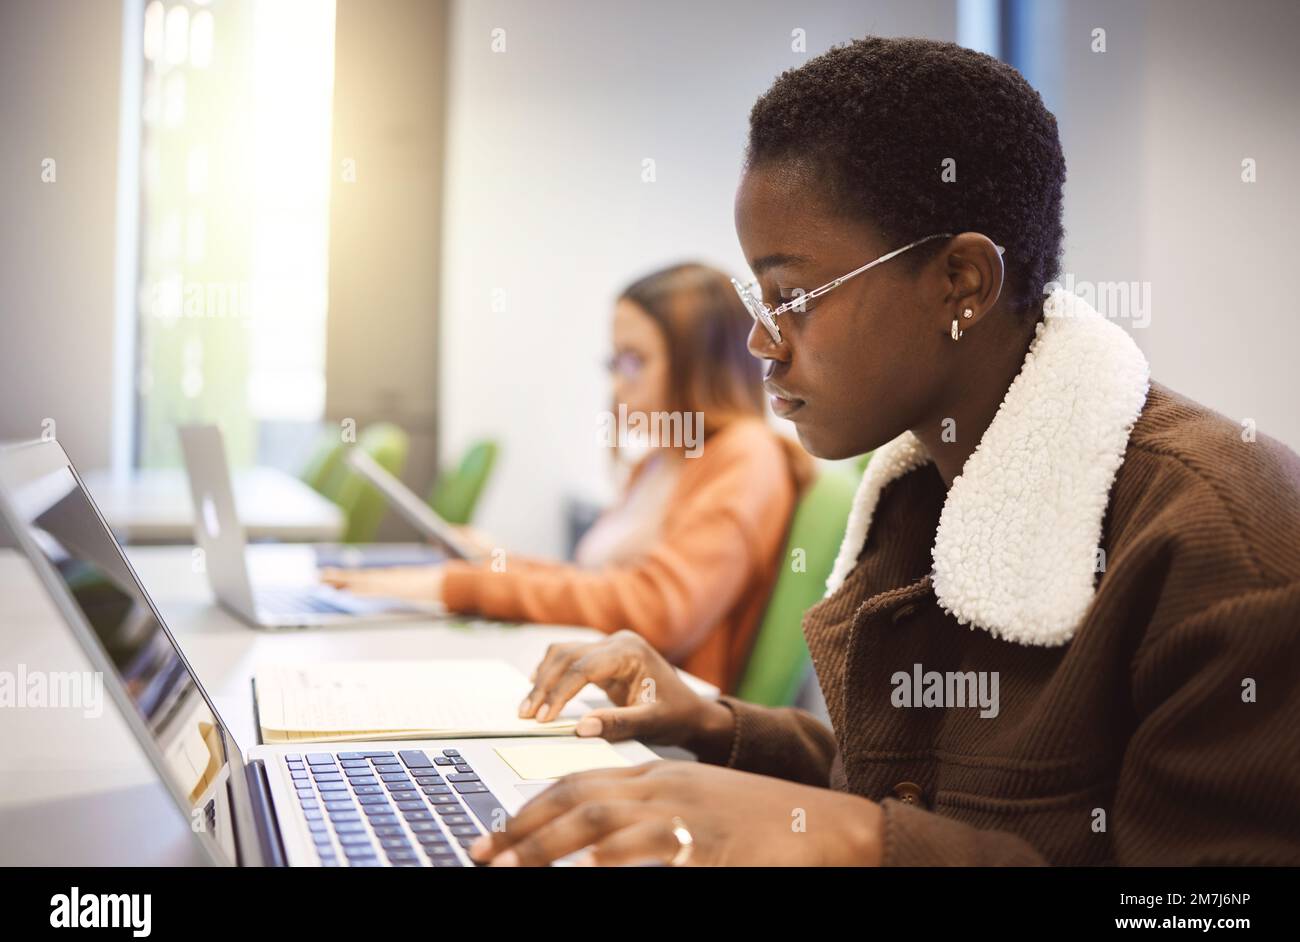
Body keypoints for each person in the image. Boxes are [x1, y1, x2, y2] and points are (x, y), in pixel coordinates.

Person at [467, 37, 1300, 867]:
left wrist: (868, 843)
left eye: (793, 298)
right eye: (759, 299)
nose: (761, 341)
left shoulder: (1222, 537)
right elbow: (909, 785)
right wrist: (714, 721)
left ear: (961, 285)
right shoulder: (928, 484)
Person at [324, 263, 811, 693]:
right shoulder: (660, 463)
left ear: (702, 365)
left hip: (659, 725)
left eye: (635, 361)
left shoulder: (745, 456)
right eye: (614, 361)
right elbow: (599, 583)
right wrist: (494, 564)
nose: (617, 384)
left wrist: (461, 586)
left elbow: (656, 610)